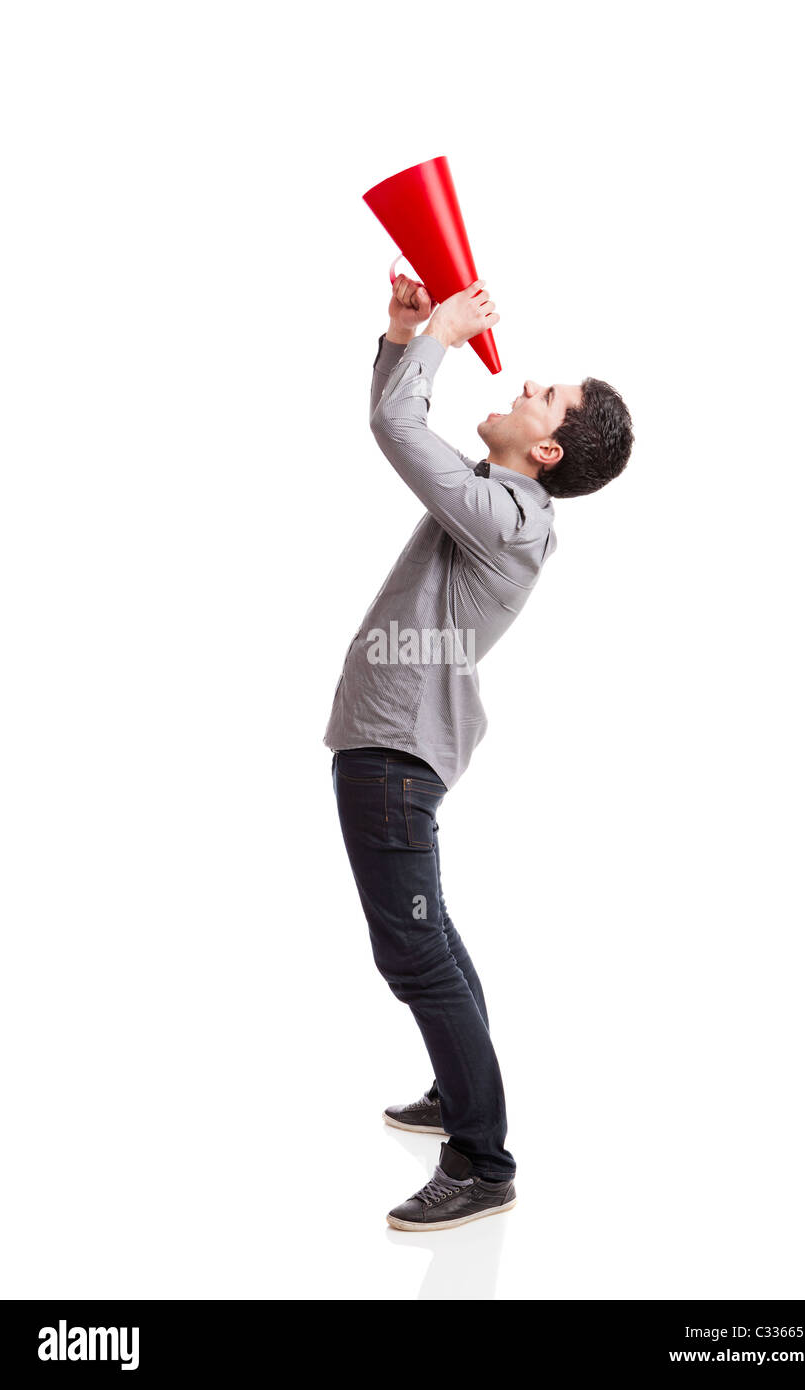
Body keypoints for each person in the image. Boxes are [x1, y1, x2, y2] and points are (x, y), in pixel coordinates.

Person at [324, 274, 634, 1230]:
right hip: (390, 746)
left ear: (545, 449)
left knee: (413, 953)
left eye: (550, 394)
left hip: (393, 755)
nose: (533, 380)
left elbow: (400, 433)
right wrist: (407, 332)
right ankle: (460, 1090)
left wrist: (448, 340)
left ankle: (482, 1159)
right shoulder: (494, 498)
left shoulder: (506, 516)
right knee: (434, 940)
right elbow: (398, 416)